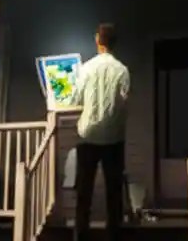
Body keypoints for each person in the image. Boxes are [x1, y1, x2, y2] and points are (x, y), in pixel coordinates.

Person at [68, 22, 130, 241]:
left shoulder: (86, 68)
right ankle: (114, 235)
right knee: (114, 192)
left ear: (98, 40)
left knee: (84, 191)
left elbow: (75, 100)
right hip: (114, 137)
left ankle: (80, 235)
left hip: (88, 136)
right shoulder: (122, 70)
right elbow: (123, 104)